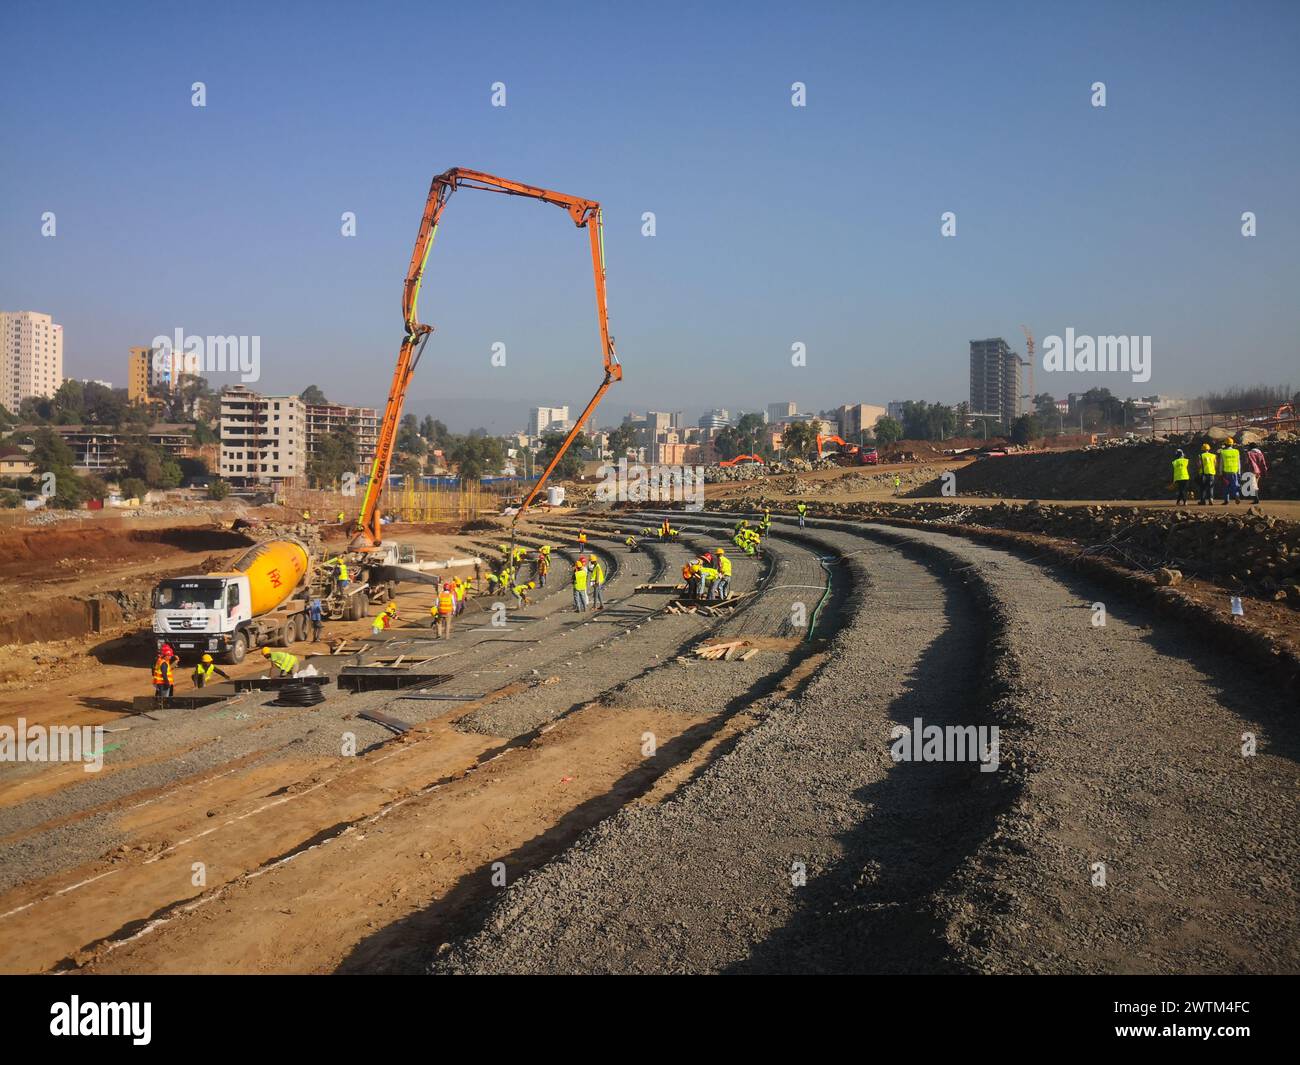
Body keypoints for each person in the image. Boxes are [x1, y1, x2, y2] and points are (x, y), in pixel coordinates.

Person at [1219, 437, 1242, 505]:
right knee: (1235, 485)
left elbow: (1221, 463)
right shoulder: (1236, 451)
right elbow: (1238, 462)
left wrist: (1220, 472)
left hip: (1226, 472)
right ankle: (1237, 495)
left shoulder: (1223, 452)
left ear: (1225, 444)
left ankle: (1226, 500)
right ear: (1232, 444)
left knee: (1226, 486)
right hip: (1234, 471)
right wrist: (1239, 472)